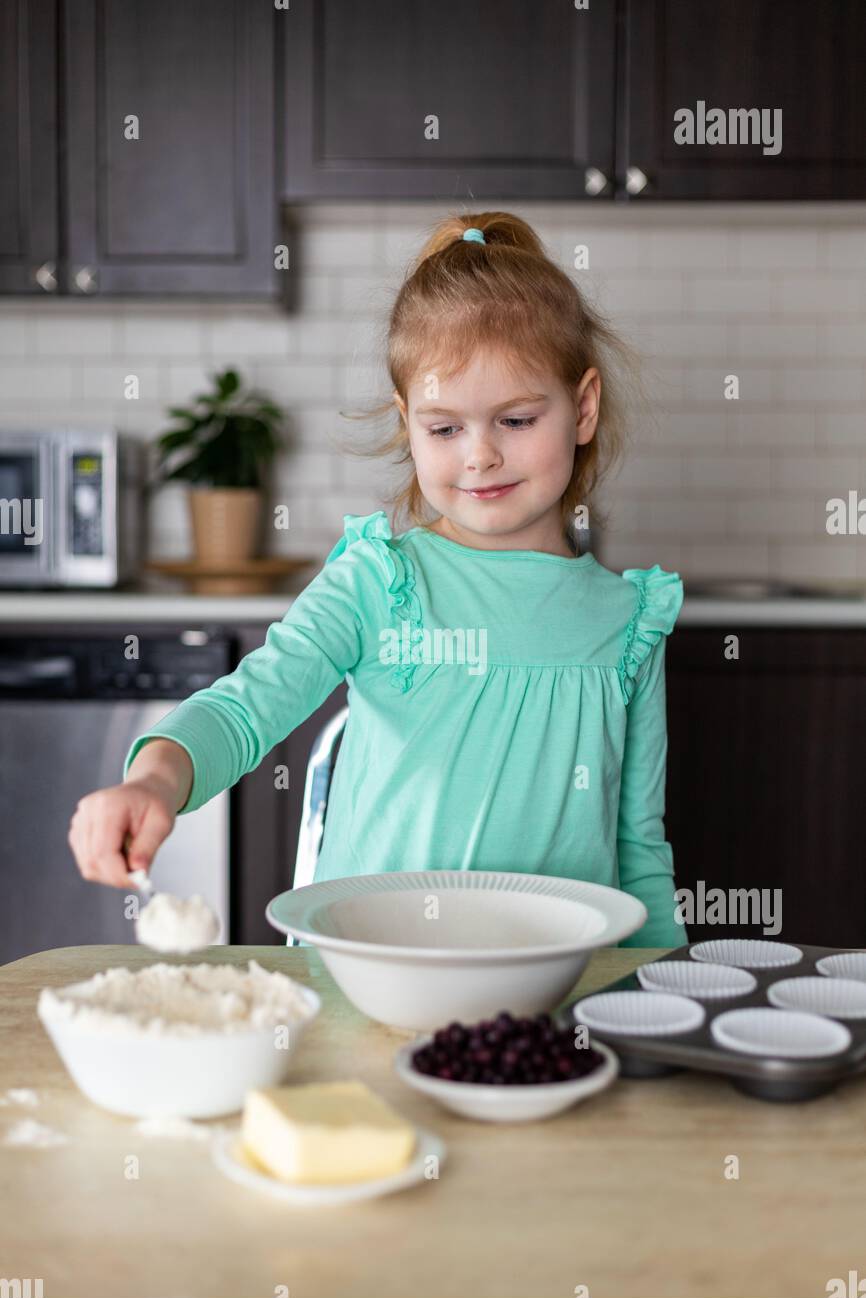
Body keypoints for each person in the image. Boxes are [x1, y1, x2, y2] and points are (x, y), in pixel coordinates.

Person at [69, 212, 686, 948]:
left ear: (582, 407)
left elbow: (639, 857)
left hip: (550, 1008)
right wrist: (155, 781)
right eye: (444, 428)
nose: (479, 456)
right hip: (367, 984)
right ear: (408, 422)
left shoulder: (629, 622)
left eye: (516, 420)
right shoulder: (377, 583)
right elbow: (245, 708)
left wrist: (657, 1001)